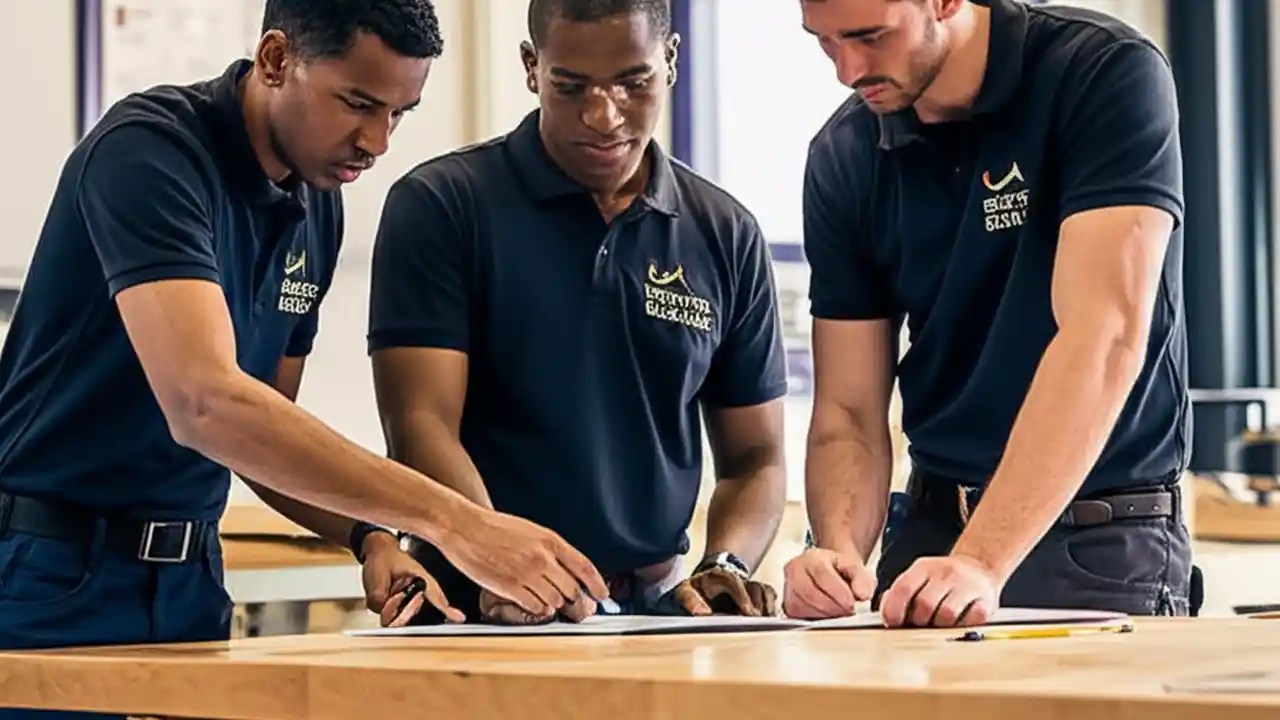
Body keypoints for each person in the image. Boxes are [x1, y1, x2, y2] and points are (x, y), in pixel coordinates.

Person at [0, 0, 608, 694]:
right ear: (276, 60)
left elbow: (264, 429)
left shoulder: (317, 204)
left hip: (190, 580)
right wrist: (456, 523)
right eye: (357, 103)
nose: (377, 141)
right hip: (47, 572)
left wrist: (371, 538)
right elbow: (207, 406)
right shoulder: (149, 152)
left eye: (400, 113)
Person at [361, 0, 790, 626]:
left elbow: (757, 459)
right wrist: (499, 556)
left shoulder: (725, 233)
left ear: (670, 63)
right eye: (571, 86)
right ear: (532, 68)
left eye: (632, 83)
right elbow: (420, 425)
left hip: (656, 611)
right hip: (478, 602)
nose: (603, 115)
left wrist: (726, 563)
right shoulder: (442, 206)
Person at [782, 0, 1192, 628]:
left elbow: (1102, 337)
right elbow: (849, 411)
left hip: (1098, 539)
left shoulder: (1102, 74)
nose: (847, 70)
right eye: (824, 42)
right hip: (931, 535)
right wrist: (837, 552)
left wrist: (981, 560)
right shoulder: (845, 153)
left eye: (869, 36)